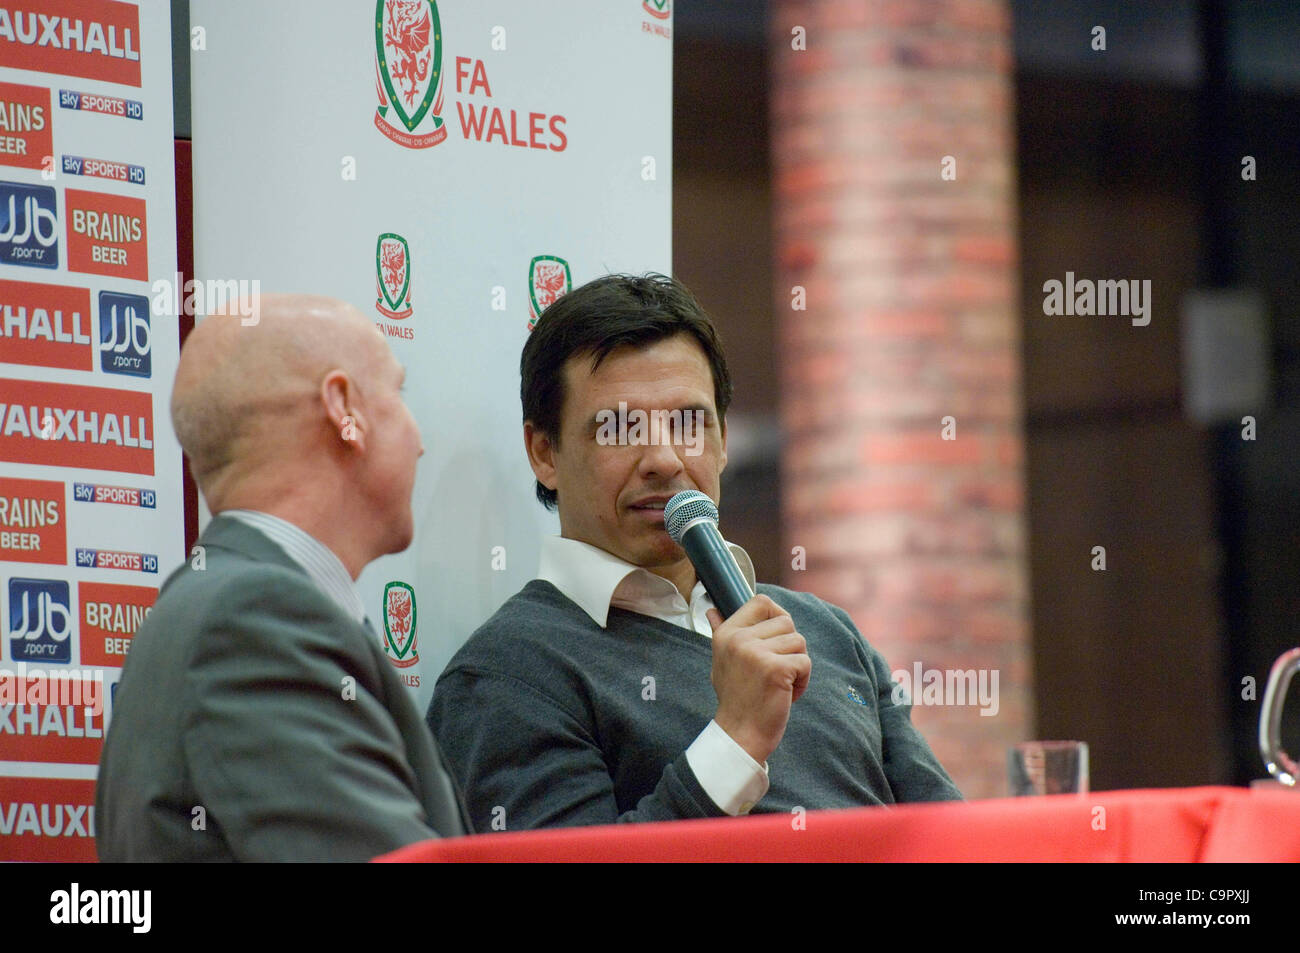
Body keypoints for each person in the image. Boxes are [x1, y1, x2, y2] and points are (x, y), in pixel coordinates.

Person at [427, 273, 962, 830]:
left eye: (689, 422)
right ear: (545, 453)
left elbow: (953, 838)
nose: (663, 457)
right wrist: (736, 741)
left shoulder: (823, 632)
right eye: (619, 426)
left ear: (724, 441)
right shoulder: (509, 674)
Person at [96, 294, 469, 861]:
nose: (419, 441)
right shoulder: (251, 621)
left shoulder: (228, 603)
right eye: (398, 392)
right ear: (344, 409)